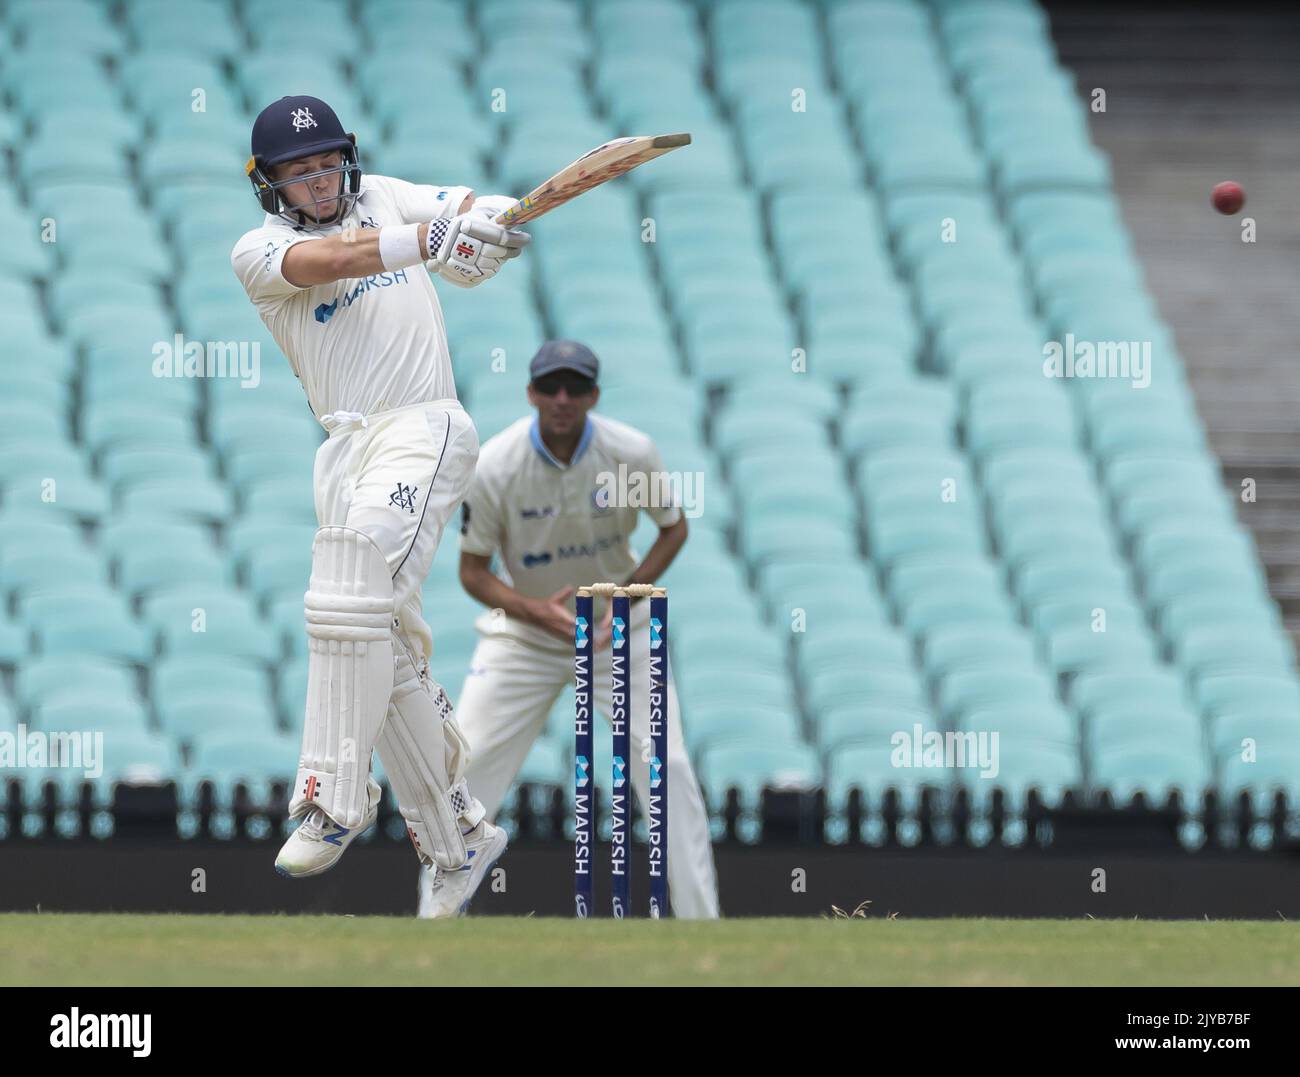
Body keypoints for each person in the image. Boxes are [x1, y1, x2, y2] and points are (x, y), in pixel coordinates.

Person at [230, 94, 528, 905]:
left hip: (424, 425)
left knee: (347, 592)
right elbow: (335, 263)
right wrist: (430, 243)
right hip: (345, 451)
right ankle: (459, 835)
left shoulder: (386, 195)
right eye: (298, 172)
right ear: (271, 185)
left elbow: (458, 210)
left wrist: (486, 222)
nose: (319, 181)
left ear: (347, 158)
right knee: (379, 640)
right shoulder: (256, 252)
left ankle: (331, 798)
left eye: (326, 162)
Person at [417, 341, 721, 918]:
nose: (562, 399)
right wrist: (536, 611)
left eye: (575, 388)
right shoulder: (497, 465)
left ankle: (700, 925)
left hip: (616, 632)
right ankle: (433, 925)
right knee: (467, 768)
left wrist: (623, 594)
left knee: (667, 767)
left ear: (593, 396)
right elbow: (473, 573)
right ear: (530, 393)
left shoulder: (630, 454)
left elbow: (673, 530)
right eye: (550, 387)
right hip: (524, 637)